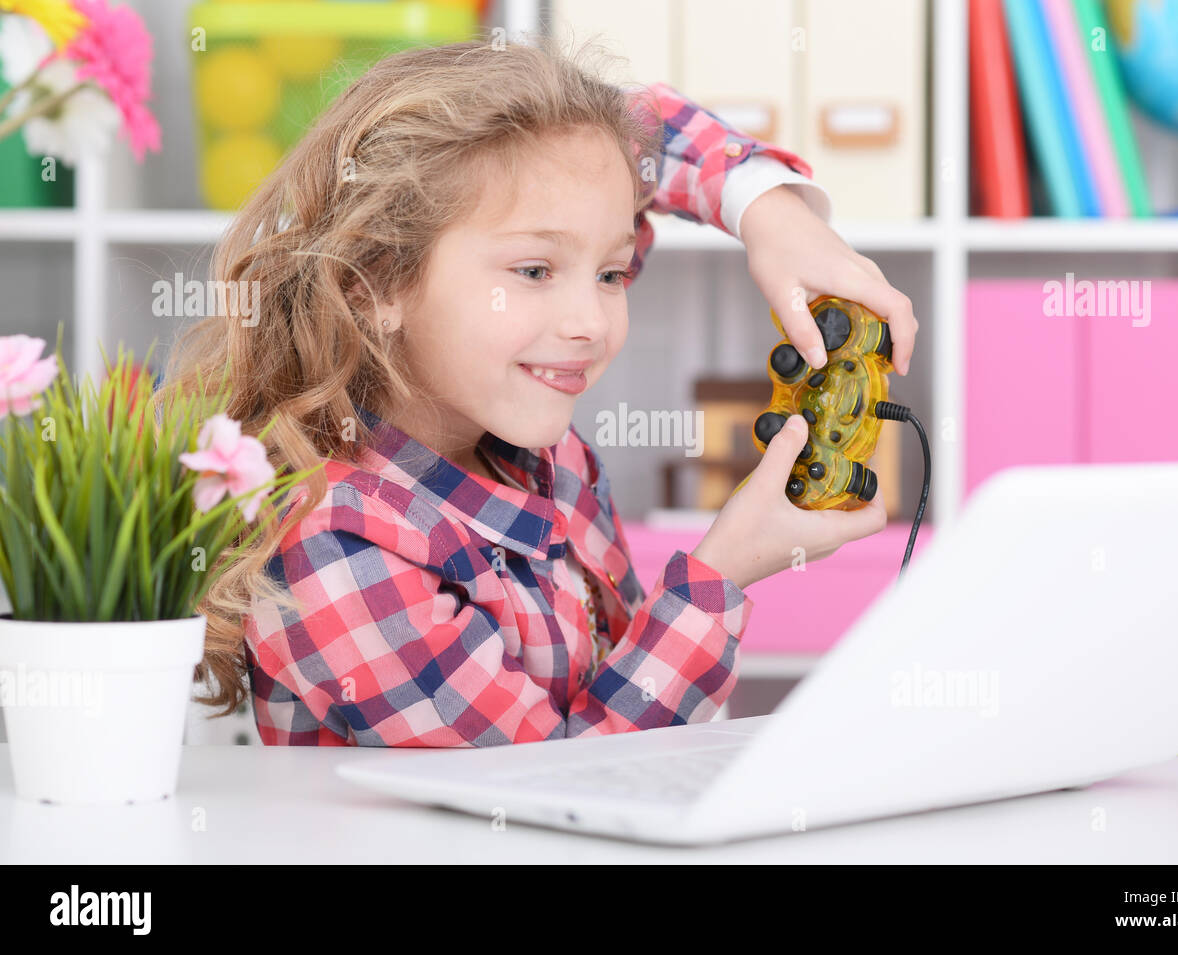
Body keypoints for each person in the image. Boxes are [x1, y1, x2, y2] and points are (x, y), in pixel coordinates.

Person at [162, 38, 920, 746]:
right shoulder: (335, 548)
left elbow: (638, 130)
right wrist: (722, 573)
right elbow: (550, 795)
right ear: (375, 283)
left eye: (612, 273)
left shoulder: (522, 415)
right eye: (534, 272)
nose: (590, 323)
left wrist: (769, 212)